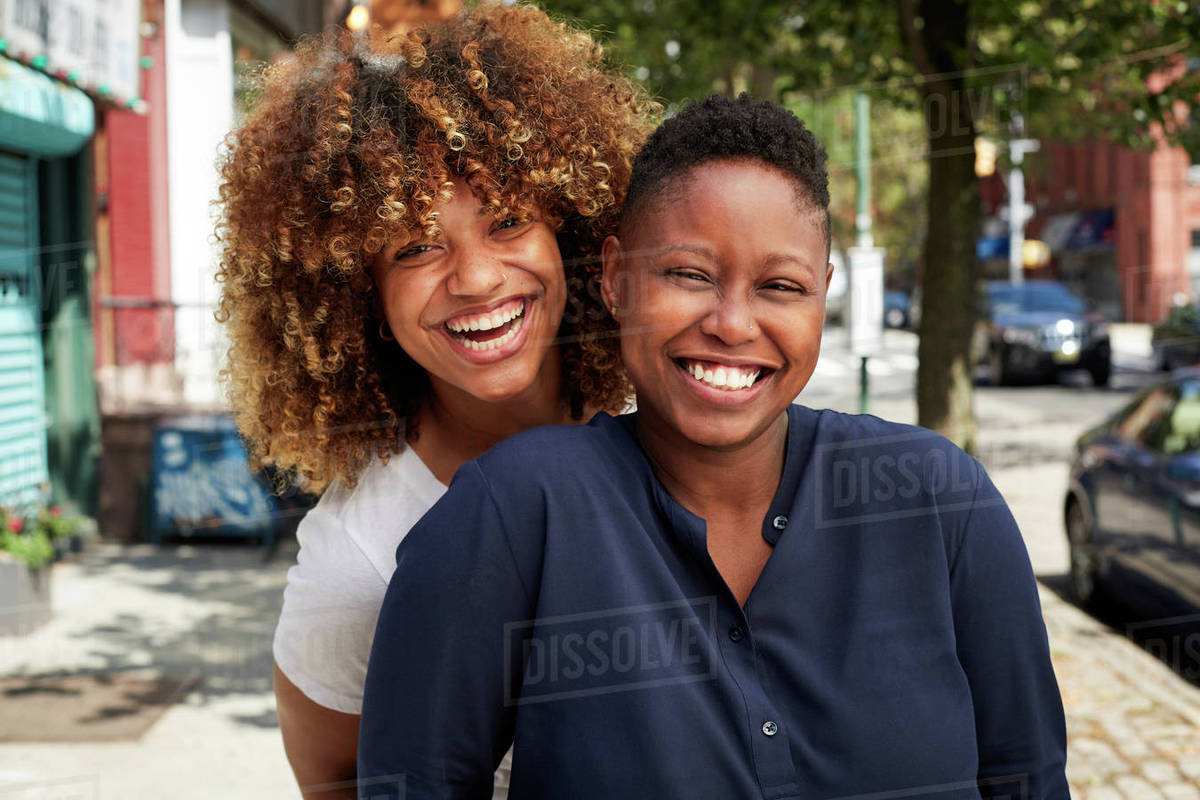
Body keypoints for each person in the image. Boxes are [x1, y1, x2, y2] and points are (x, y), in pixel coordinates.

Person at [358, 94, 1070, 799]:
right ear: (615, 278)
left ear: (823, 295)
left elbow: (1031, 781)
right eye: (689, 274)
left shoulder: (941, 500)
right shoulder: (514, 514)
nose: (732, 324)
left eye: (781, 286)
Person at [213, 5, 656, 797]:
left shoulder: (669, 443)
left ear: (577, 235)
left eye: (510, 221)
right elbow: (333, 782)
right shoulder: (358, 560)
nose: (478, 278)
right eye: (416, 246)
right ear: (361, 298)